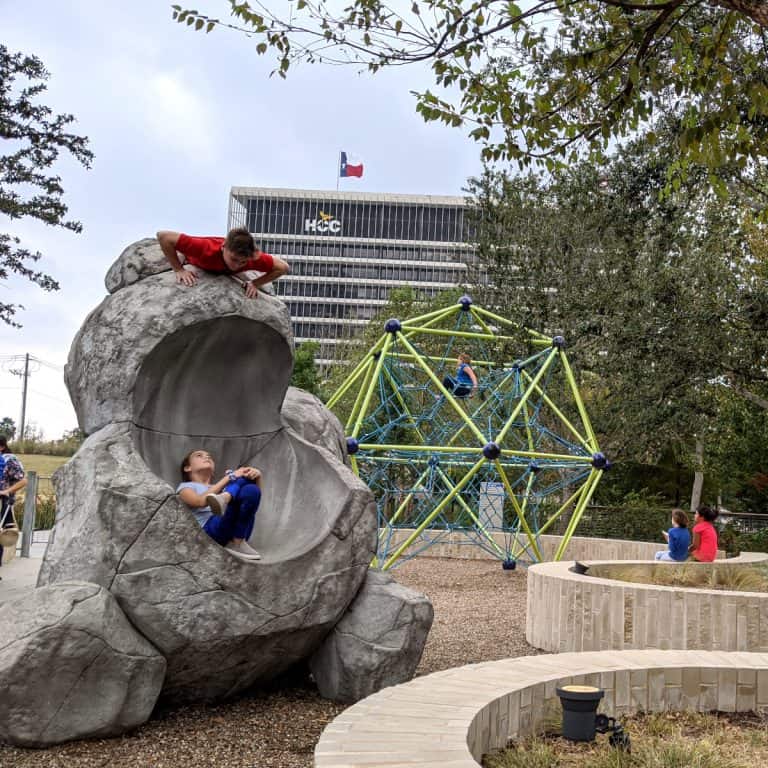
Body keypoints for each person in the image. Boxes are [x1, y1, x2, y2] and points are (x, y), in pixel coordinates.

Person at [177, 449, 263, 561]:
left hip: (239, 531)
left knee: (251, 487)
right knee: (241, 481)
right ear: (187, 468)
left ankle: (237, 540)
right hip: (212, 532)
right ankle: (226, 497)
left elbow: (253, 500)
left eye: (209, 456)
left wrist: (257, 476)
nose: (207, 457)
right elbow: (200, 502)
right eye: (199, 455)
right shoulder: (185, 487)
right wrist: (230, 477)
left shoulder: (222, 487)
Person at [156, 227, 289, 298]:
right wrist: (179, 269)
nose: (237, 265)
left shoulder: (252, 258)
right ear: (223, 247)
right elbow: (163, 236)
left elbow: (282, 267)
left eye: (242, 262)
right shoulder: (205, 248)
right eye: (234, 259)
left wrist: (255, 283)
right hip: (192, 260)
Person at [0, 436, 26, 578]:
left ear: (2, 446)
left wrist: (6, 491)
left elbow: (23, 480)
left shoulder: (9, 460)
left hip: (3, 502)